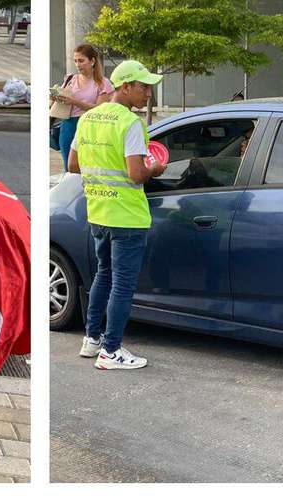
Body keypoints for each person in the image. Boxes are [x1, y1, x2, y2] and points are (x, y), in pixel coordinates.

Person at [67, 59, 167, 370]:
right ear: (125, 87)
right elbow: (136, 174)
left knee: (103, 277)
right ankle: (111, 351)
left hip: (98, 212)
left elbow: (72, 165)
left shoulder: (88, 119)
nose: (148, 93)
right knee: (123, 285)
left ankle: (92, 340)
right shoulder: (130, 123)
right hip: (127, 216)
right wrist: (156, 169)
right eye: (142, 86)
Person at [50, 44, 114, 172]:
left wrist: (74, 101)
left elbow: (99, 109)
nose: (78, 64)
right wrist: (55, 97)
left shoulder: (103, 83)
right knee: (69, 166)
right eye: (75, 61)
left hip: (91, 125)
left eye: (81, 60)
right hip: (69, 124)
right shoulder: (70, 79)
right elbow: (56, 101)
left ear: (92, 61)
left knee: (88, 166)